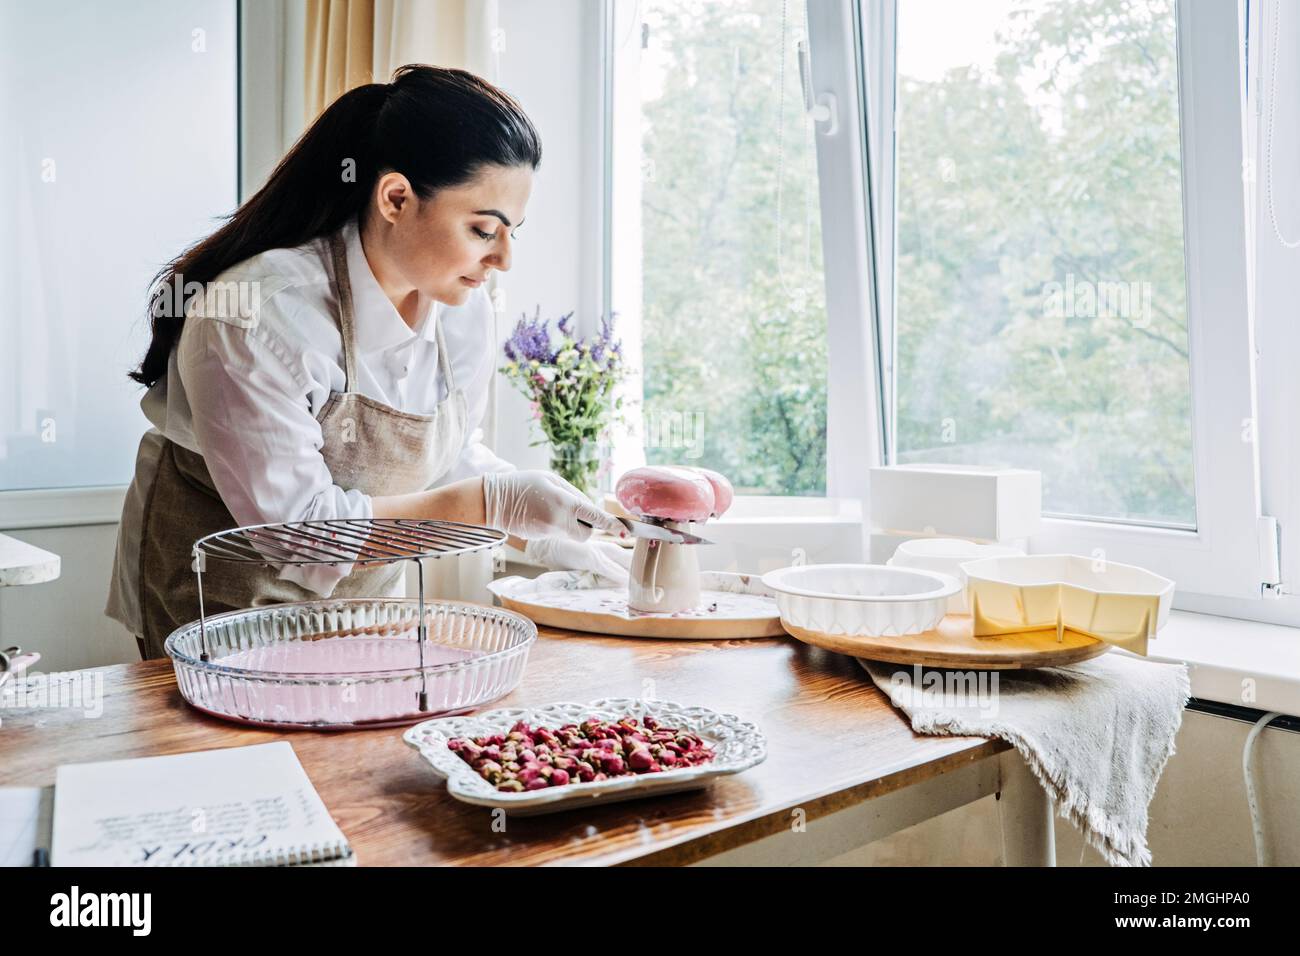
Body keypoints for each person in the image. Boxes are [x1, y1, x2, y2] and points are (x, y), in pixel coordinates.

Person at [105, 65, 631, 660]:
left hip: (366, 614)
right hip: (224, 608)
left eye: (514, 233)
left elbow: (446, 459)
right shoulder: (255, 314)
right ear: (397, 198)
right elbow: (299, 535)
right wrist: (491, 503)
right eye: (484, 229)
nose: (503, 259)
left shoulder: (461, 308)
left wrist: (541, 530)